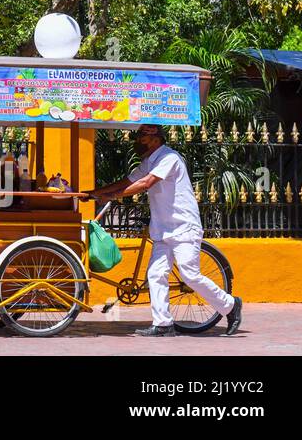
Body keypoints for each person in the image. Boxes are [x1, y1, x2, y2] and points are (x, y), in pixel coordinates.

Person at [81, 124, 242, 337]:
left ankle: (231, 305)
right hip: (162, 228)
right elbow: (128, 181)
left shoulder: (170, 158)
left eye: (142, 137)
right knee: (156, 274)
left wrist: (111, 197)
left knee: (190, 275)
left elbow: (146, 183)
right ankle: (163, 324)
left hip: (183, 226)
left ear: (156, 139)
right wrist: (94, 193)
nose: (138, 140)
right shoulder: (149, 161)